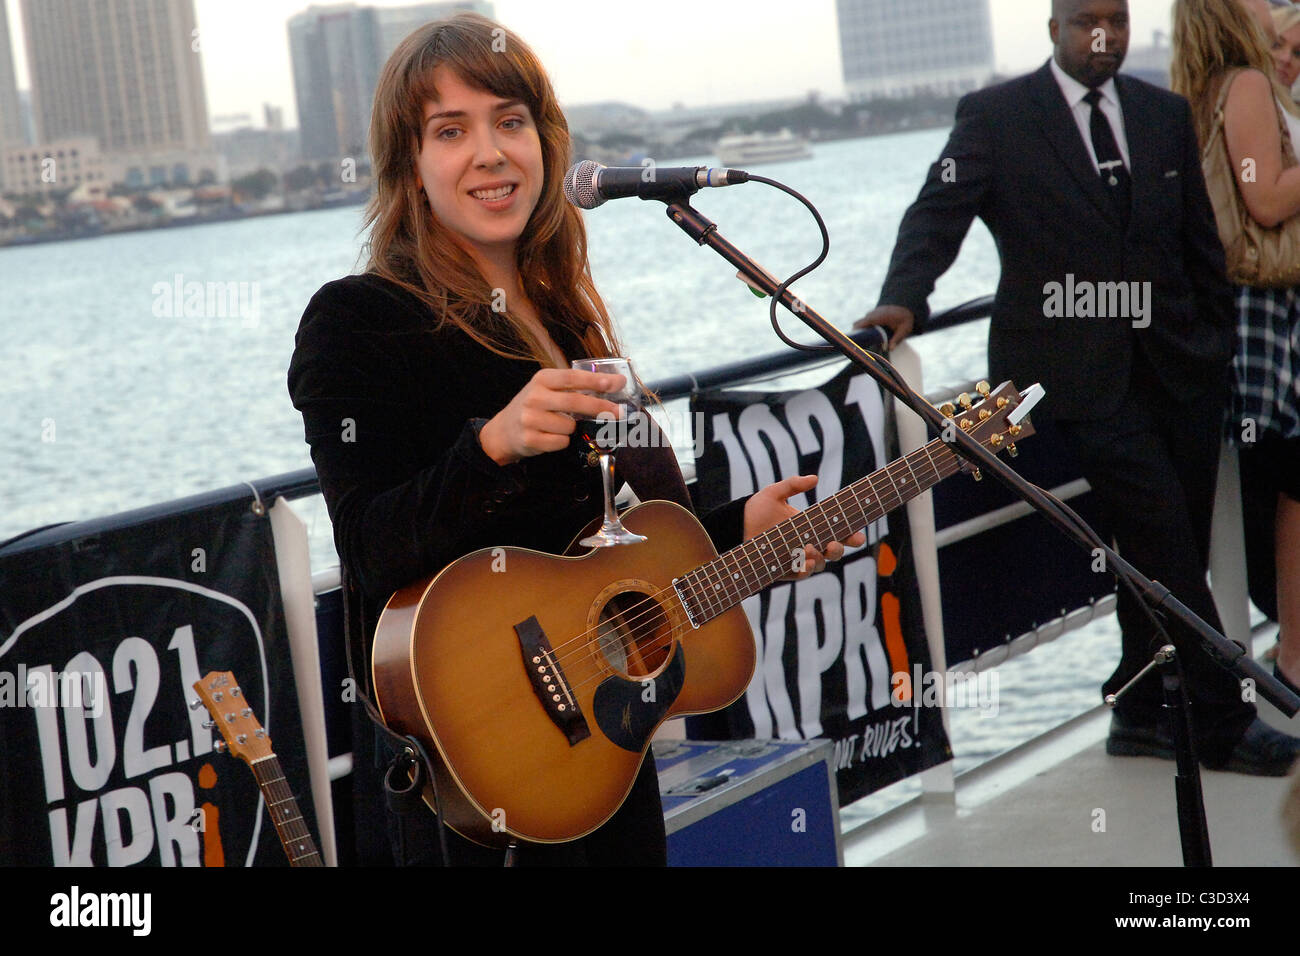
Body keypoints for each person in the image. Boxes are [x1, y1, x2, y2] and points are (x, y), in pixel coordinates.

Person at [287, 14, 864, 865]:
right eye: (451, 131)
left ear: (547, 145)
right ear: (410, 167)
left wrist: (742, 528)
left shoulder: (564, 315)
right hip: (477, 791)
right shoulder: (359, 320)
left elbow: (611, 538)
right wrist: (492, 446)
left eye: (510, 121)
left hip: (602, 766)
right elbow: (371, 546)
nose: (489, 152)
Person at [854, 0, 1300, 774]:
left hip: (1180, 369)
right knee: (1162, 533)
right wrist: (902, 301)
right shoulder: (995, 117)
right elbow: (938, 213)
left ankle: (1137, 711)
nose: (1106, 37)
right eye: (1089, 21)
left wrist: (1214, 339)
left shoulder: (1162, 113)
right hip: (1073, 376)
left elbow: (1201, 237)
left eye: (1119, 23)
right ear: (1055, 29)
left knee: (1172, 545)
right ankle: (1223, 721)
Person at [1171, 0, 1300, 699]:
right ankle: (1293, 656)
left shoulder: (1196, 86)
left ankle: (1276, 649)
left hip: (1227, 304)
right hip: (1264, 299)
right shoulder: (1246, 83)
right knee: (1291, 478)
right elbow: (1268, 202)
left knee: (1266, 481)